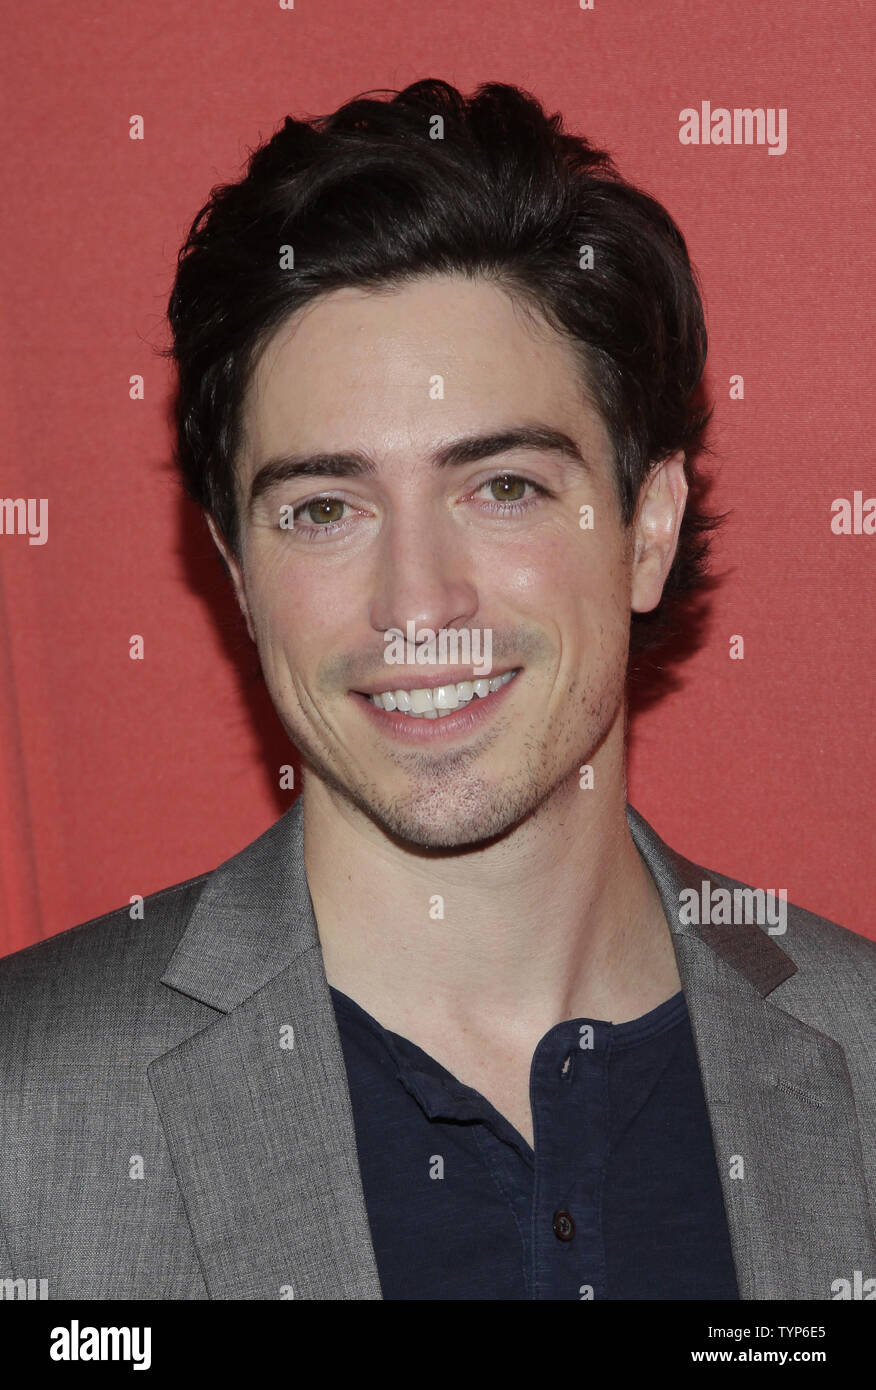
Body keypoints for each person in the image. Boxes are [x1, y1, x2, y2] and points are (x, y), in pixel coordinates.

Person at [1, 79, 873, 1302]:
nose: (418, 603)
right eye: (323, 509)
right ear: (237, 574)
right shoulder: (24, 1114)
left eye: (503, 486)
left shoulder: (864, 1058)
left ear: (647, 529)